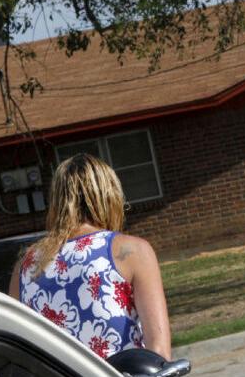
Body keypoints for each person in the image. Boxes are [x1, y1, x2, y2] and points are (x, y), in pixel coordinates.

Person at [9, 153, 171, 361]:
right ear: (109, 195)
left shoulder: (25, 266)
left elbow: (19, 358)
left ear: (57, 200)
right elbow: (158, 353)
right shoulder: (131, 251)